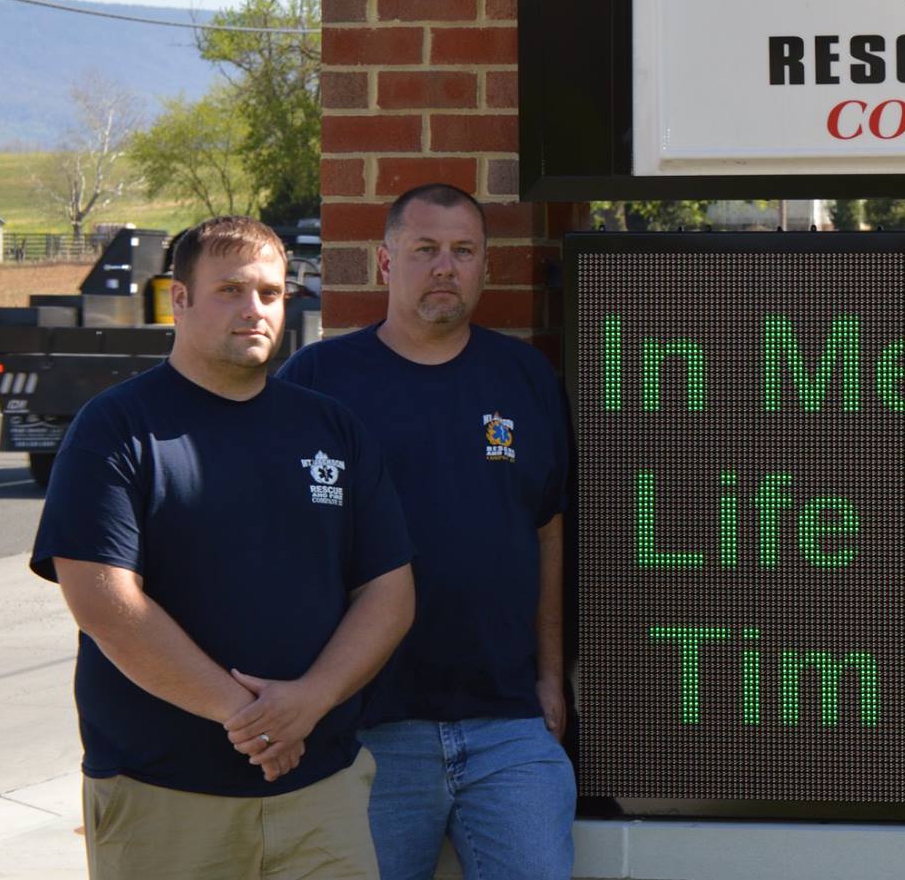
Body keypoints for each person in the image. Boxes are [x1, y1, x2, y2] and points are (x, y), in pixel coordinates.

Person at [31, 216, 415, 880]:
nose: (254, 309)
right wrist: (254, 718)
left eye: (270, 292)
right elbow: (103, 601)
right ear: (178, 298)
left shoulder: (330, 428)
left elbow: (389, 591)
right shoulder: (119, 428)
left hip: (319, 795)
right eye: (231, 290)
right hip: (165, 801)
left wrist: (311, 700)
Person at [278, 183, 574, 880]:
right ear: (385, 262)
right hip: (369, 730)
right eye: (426, 250)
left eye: (464, 251)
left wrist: (550, 674)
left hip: (508, 725)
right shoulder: (318, 381)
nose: (446, 267)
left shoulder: (525, 376)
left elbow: (549, 530)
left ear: (485, 267)